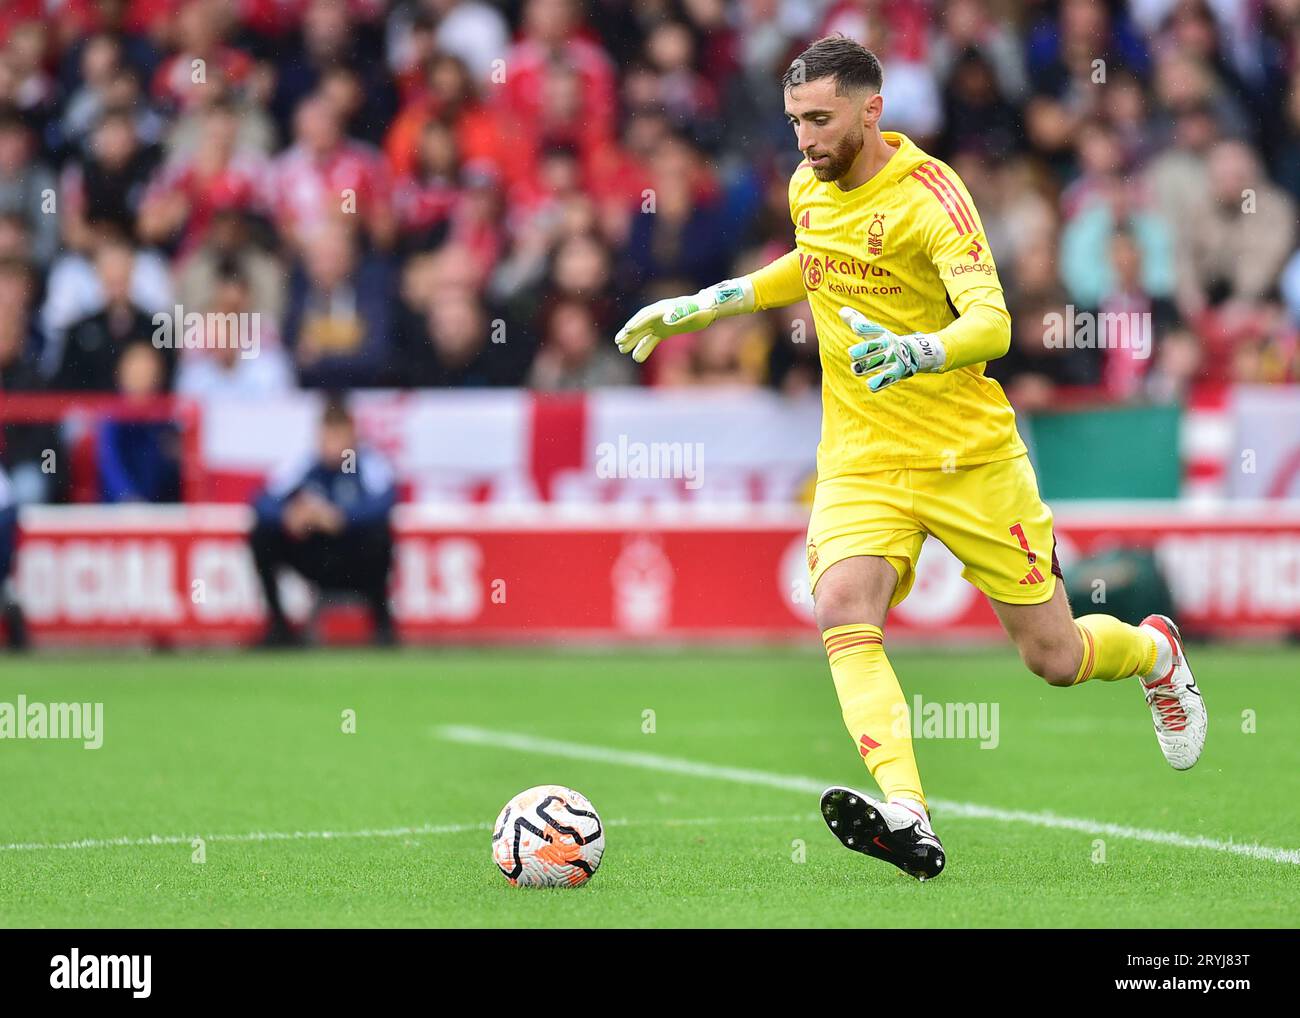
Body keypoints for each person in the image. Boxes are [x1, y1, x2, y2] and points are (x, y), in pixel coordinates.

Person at [614, 35, 1206, 882]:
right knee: (842, 605)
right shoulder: (805, 186)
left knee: (1055, 657)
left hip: (968, 456)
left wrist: (922, 352)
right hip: (861, 456)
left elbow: (993, 324)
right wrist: (710, 304)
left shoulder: (933, 196)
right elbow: (813, 266)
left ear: (872, 110)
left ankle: (1157, 654)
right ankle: (909, 813)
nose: (806, 141)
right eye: (793, 123)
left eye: (820, 120)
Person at [249, 398, 398, 647]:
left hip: (355, 557)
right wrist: (290, 516)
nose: (332, 447)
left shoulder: (367, 463)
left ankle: (382, 626)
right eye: (327, 438)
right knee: (262, 535)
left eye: (339, 438)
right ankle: (279, 628)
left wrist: (340, 517)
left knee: (380, 536)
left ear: (352, 438)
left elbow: (384, 503)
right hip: (315, 555)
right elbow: (262, 501)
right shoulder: (304, 464)